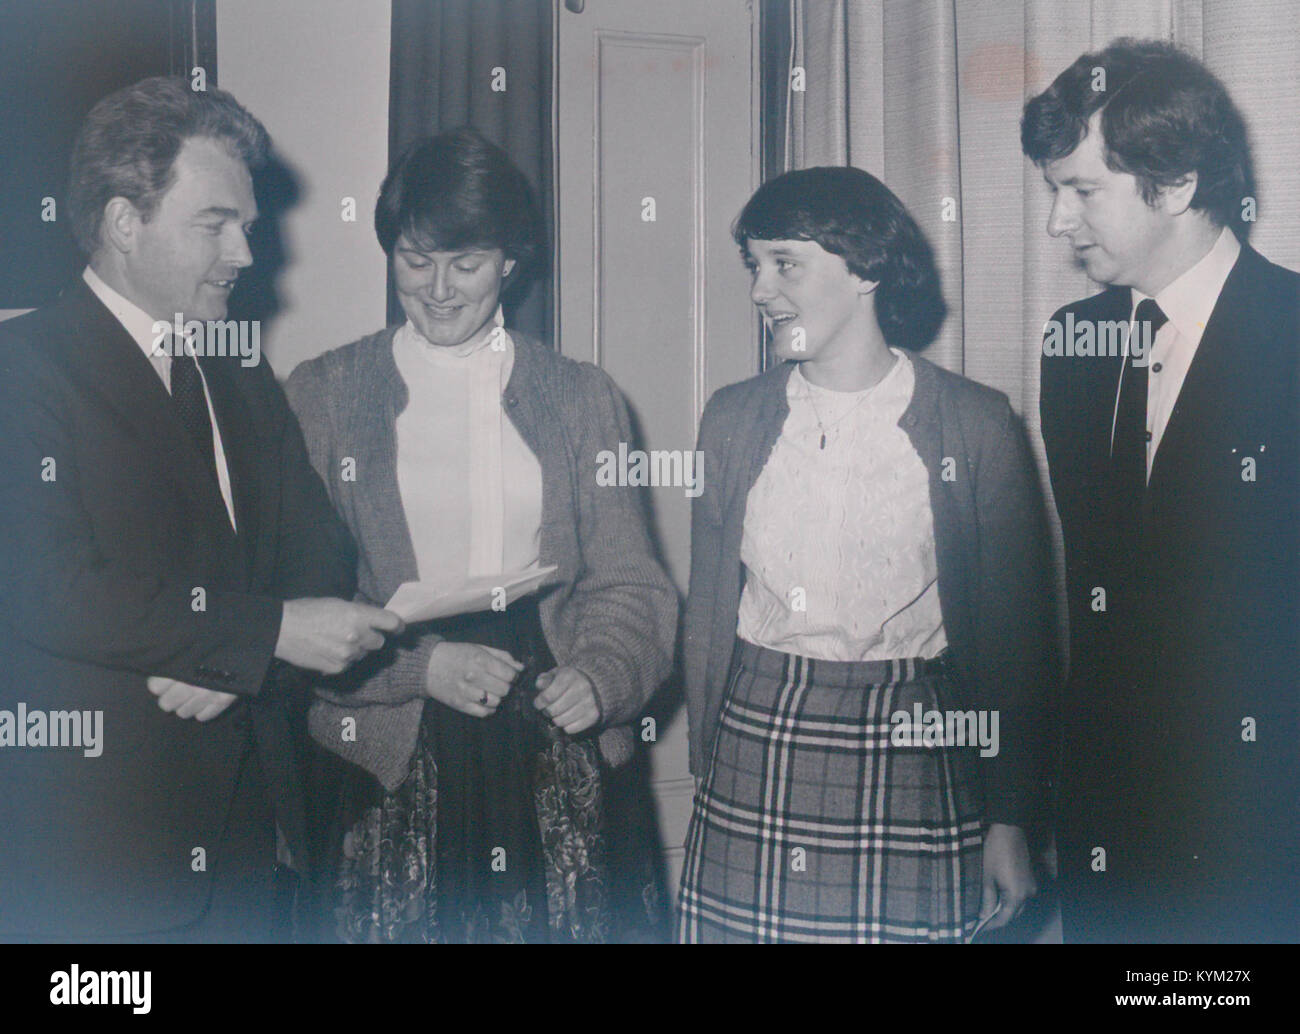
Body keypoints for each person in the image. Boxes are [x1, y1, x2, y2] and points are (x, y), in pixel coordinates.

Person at [0, 76, 403, 941]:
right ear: (122, 223)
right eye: (214, 224)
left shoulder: (238, 366)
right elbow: (43, 583)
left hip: (258, 845)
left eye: (247, 226)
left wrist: (235, 654)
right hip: (98, 860)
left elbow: (318, 554)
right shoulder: (21, 367)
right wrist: (248, 638)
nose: (245, 255)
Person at [284, 127, 677, 944]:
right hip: (384, 726)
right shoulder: (322, 394)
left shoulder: (581, 398)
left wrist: (602, 675)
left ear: (511, 261)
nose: (436, 289)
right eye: (413, 259)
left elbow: (630, 583)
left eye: (465, 263)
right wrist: (422, 667)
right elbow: (296, 605)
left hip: (547, 725)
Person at [676, 167, 1054, 943]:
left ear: (868, 270)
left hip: (915, 747)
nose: (760, 290)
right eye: (754, 264)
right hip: (761, 731)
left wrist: (1012, 816)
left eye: (786, 263)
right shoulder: (731, 419)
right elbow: (709, 612)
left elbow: (1020, 643)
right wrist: (708, 760)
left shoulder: (976, 424)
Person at [1023, 38, 1300, 943]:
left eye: (1082, 190)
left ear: (1175, 184)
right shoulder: (1072, 343)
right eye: (1052, 192)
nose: (1058, 225)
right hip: (1110, 838)